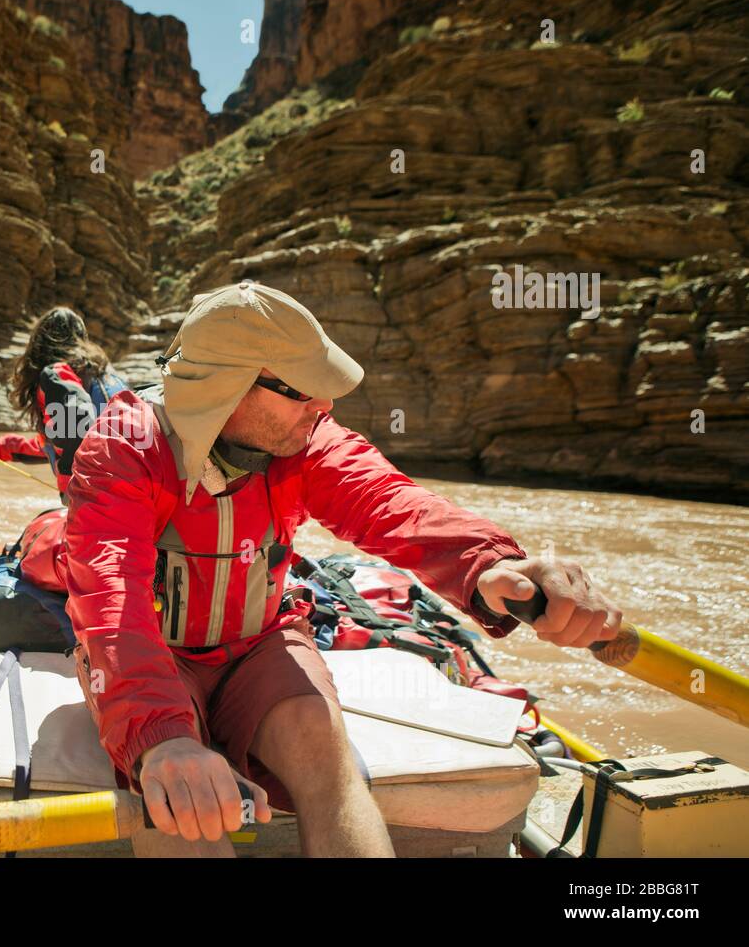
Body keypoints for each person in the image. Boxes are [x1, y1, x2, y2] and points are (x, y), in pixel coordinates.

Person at [63, 281, 623, 858]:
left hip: (258, 641)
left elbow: (388, 501)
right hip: (157, 650)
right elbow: (111, 597)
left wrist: (489, 564)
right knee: (182, 805)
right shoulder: (122, 444)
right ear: (229, 384)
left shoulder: (304, 440)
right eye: (302, 390)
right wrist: (163, 737)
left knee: (320, 743)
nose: (323, 405)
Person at [0, 307, 126, 499]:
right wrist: (1, 448)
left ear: (39, 345)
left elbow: (79, 428)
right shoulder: (107, 375)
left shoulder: (56, 373)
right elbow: (58, 444)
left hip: (104, 494)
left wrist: (68, 486)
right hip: (136, 483)